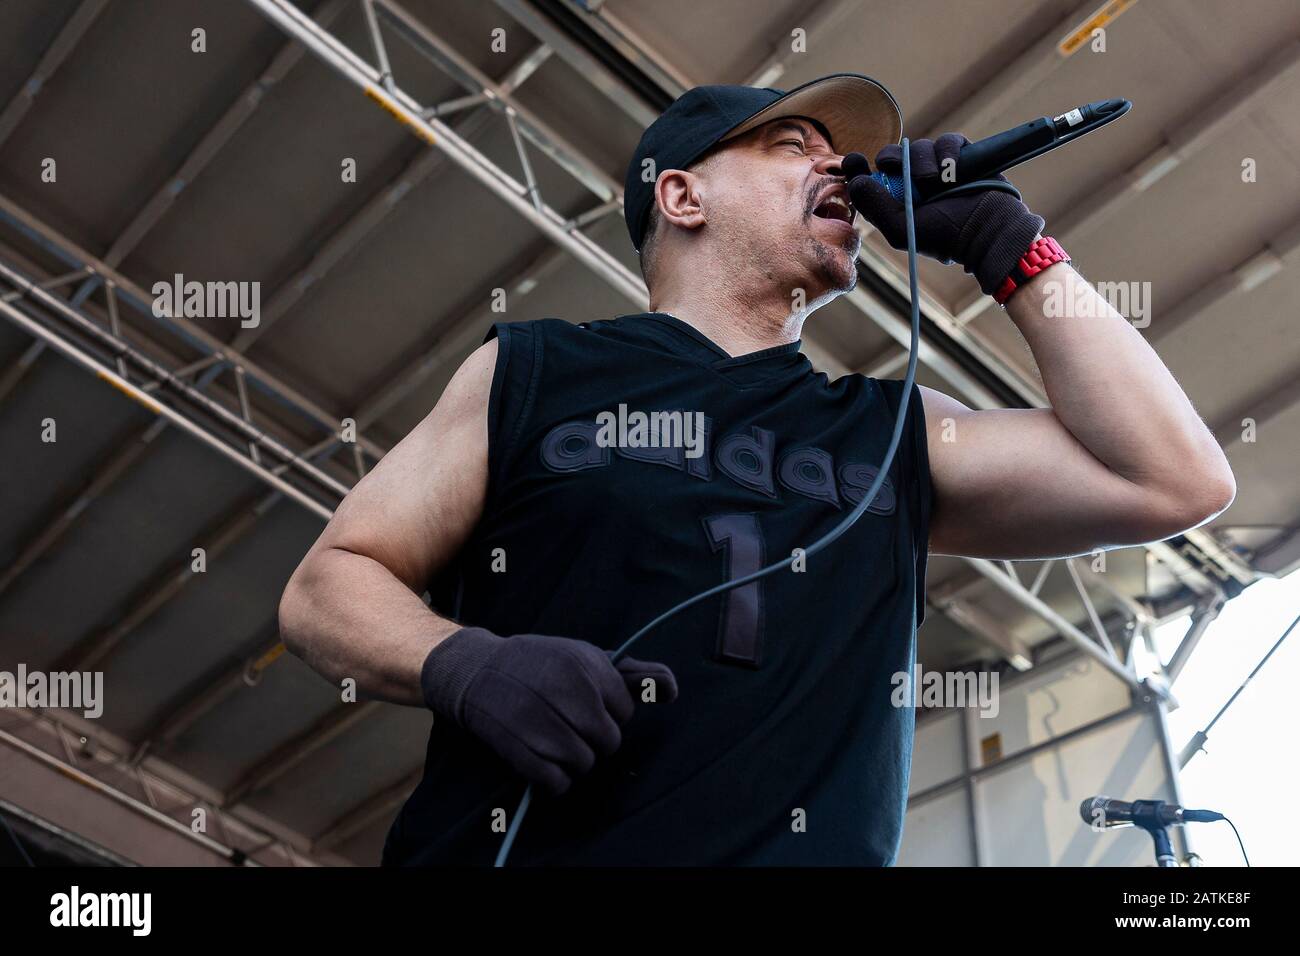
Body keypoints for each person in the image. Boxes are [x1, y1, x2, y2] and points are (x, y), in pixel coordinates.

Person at [278, 74, 1235, 865]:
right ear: (682, 196)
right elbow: (327, 587)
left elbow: (1176, 480)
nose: (838, 165)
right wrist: (464, 662)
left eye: (836, 151)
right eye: (790, 146)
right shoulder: (535, 369)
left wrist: (1007, 245)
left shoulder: (890, 427)